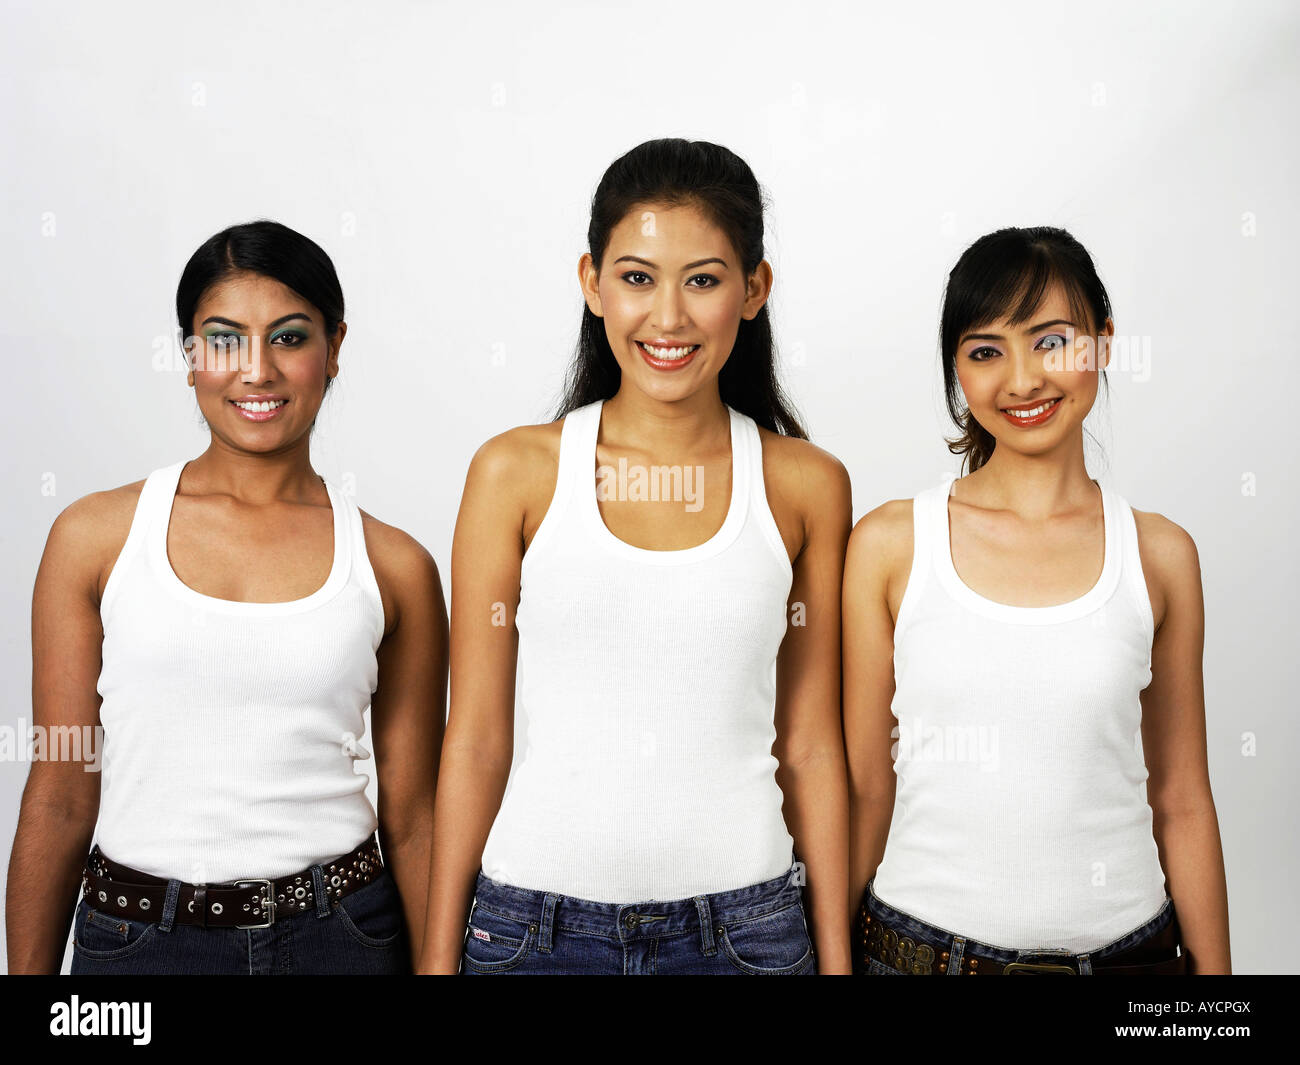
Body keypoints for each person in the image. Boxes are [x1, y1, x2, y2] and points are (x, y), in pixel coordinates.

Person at [422, 138, 852, 975]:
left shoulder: (806, 485)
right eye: (636, 277)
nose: (668, 318)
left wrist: (834, 960)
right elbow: (474, 737)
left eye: (703, 279)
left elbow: (810, 745)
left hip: (748, 931)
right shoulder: (514, 472)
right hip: (530, 932)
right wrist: (439, 960)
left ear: (753, 290)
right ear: (591, 282)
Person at [6, 220, 447, 975]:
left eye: (288, 337)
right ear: (189, 357)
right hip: (138, 942)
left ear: (334, 348)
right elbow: (59, 792)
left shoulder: (394, 564)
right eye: (223, 338)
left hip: (341, 937)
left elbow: (414, 818)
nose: (256, 370)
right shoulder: (95, 537)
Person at [844, 226, 1230, 975]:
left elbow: (1183, 798)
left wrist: (1215, 1006)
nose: (1022, 380)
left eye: (1050, 341)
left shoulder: (1161, 555)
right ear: (957, 369)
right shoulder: (891, 545)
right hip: (919, 957)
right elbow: (864, 784)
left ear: (1103, 342)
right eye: (985, 351)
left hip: (1132, 962)